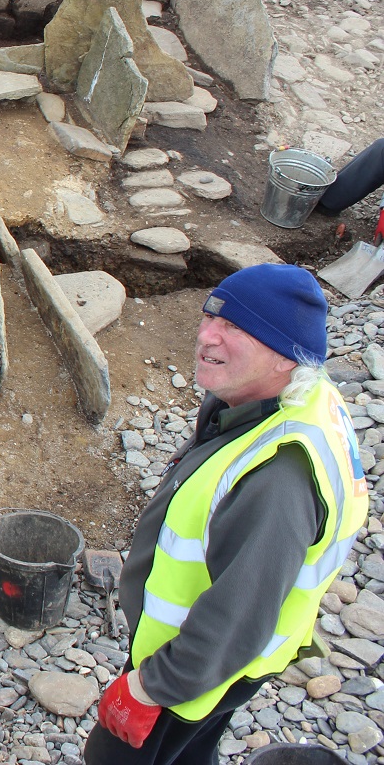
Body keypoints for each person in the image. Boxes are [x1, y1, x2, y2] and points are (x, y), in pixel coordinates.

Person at [86, 264, 368, 765]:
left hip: (194, 667)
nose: (207, 336)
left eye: (236, 327)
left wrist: (150, 687)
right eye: (210, 316)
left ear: (285, 355)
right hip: (203, 661)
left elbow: (238, 618)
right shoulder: (286, 396)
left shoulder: (280, 478)